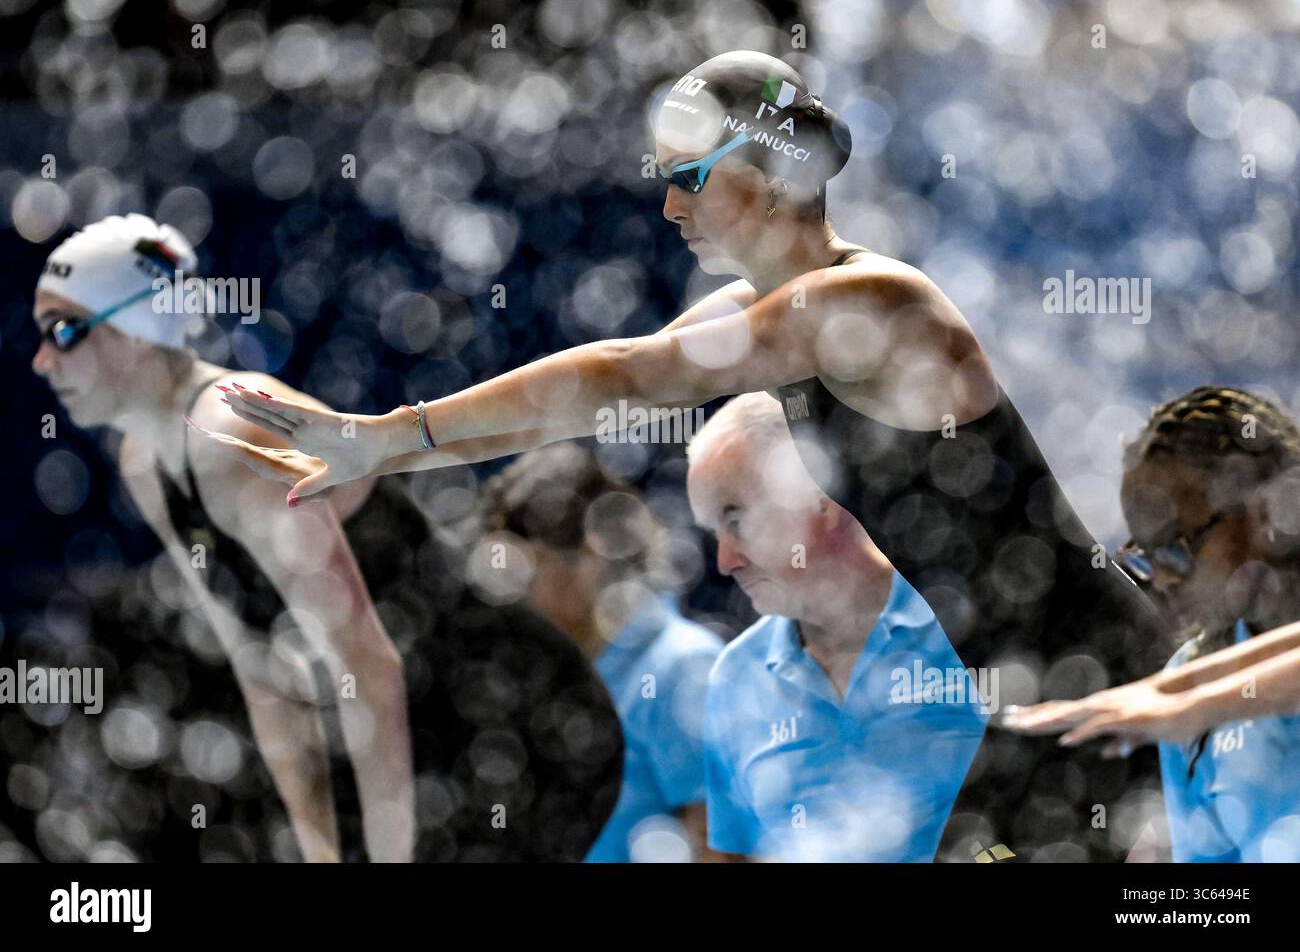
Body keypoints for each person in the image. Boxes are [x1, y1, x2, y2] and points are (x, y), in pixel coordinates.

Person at [205, 50, 1166, 859]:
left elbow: (626, 372)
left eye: (689, 176)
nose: (668, 208)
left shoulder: (866, 303)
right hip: (1035, 709)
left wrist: (390, 434)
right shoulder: (769, 314)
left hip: (1117, 686)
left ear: (771, 171)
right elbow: (574, 406)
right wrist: (386, 452)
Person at [30, 213, 623, 861]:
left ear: (135, 333)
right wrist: (319, 852)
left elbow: (370, 665)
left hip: (529, 728)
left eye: (64, 331)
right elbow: (266, 676)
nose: (41, 361)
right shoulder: (144, 460)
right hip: (426, 743)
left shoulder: (233, 433)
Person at [1004, 386, 1300, 861]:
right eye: (1144, 558)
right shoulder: (1184, 677)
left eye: (1176, 546)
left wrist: (1195, 701)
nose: (1161, 579)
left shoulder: (1185, 697)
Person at [687, 393, 987, 861]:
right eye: (714, 533)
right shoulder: (735, 675)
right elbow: (734, 856)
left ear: (816, 492)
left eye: (737, 519)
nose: (725, 562)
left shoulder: (965, 625)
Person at [479, 444, 727, 861]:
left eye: (527, 568)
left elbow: (721, 850)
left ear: (592, 554)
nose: (508, 594)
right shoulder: (544, 676)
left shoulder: (684, 668)